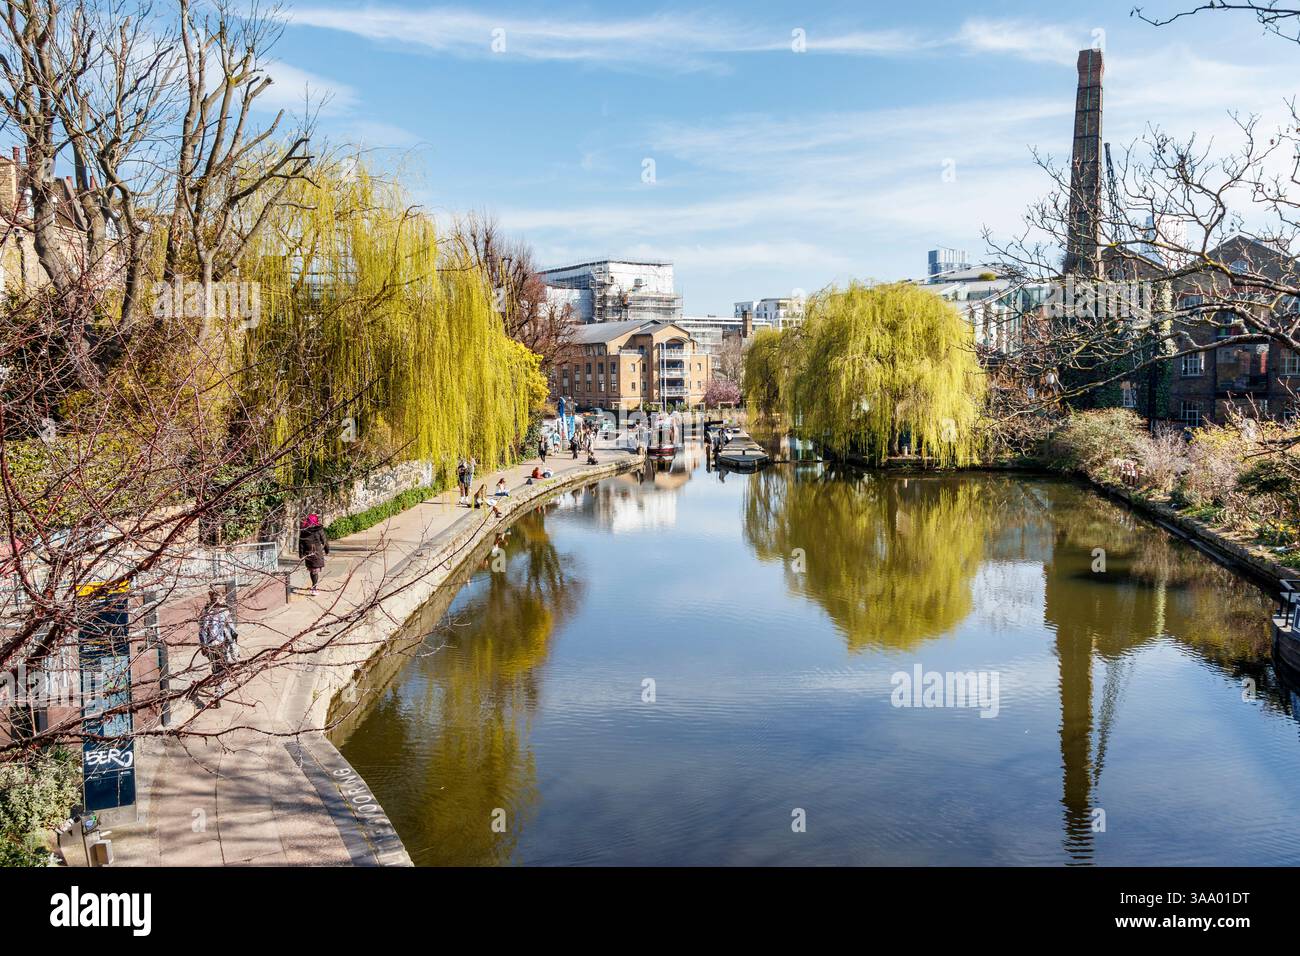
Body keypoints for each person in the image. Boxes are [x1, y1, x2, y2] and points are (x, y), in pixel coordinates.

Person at [198, 587, 237, 708]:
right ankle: (218, 693)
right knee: (223, 670)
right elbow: (231, 630)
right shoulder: (223, 612)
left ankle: (217, 690)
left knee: (216, 669)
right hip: (218, 645)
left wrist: (203, 646)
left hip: (210, 646)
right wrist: (233, 648)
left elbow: (201, 631)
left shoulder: (205, 612)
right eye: (221, 599)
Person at [298, 513, 330, 592]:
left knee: (313, 570)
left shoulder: (304, 531)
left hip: (308, 553)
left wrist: (301, 554)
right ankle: (314, 588)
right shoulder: (319, 530)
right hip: (317, 553)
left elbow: (301, 543)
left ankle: (314, 586)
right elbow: (324, 541)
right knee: (314, 571)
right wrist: (327, 550)